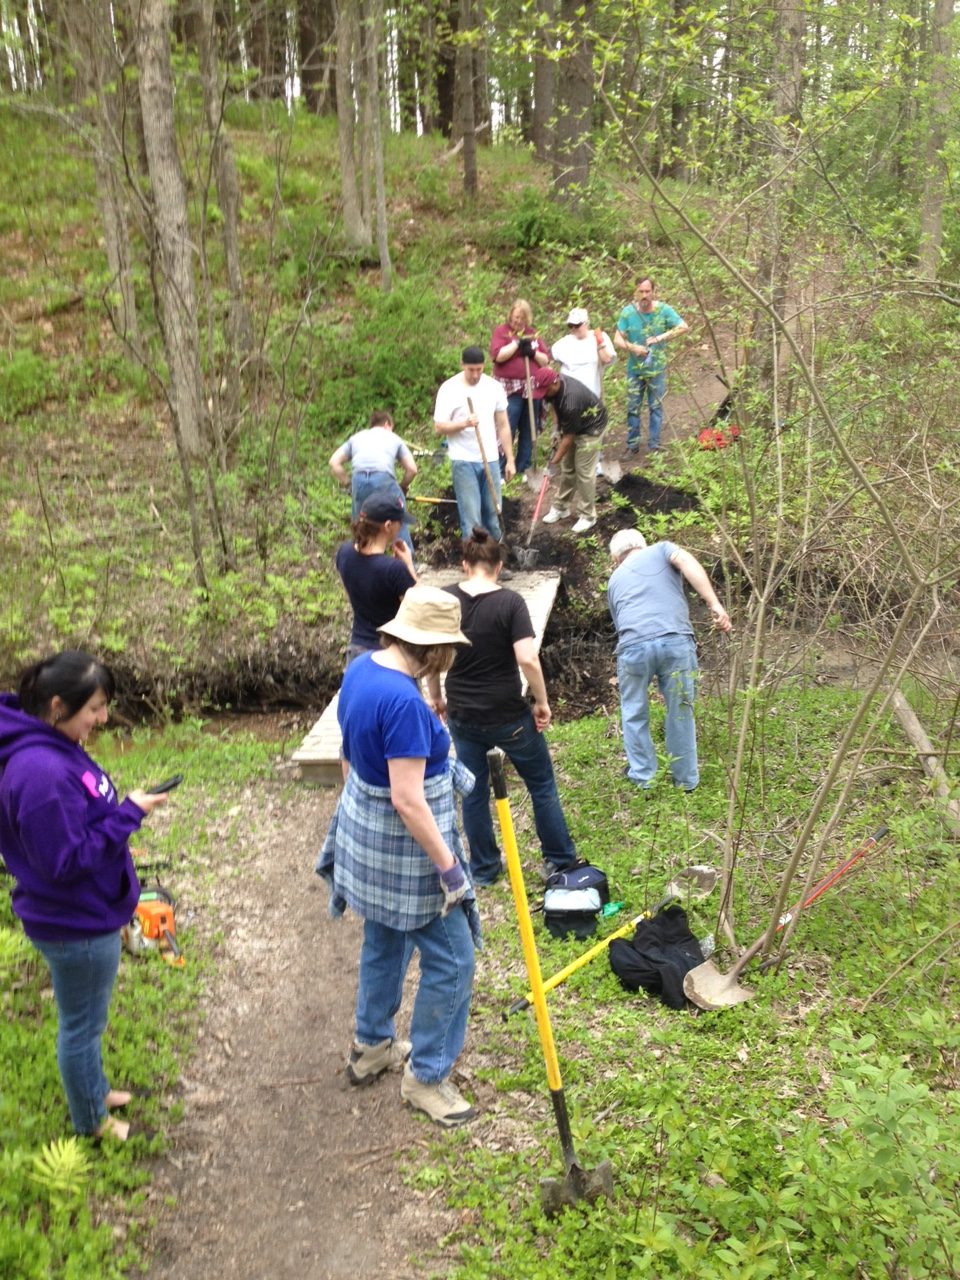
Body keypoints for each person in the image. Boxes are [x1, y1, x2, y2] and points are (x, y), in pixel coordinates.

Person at [316, 587, 480, 1128]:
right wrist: (451, 870)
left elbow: (348, 754)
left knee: (384, 937)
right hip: (408, 848)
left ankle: (372, 1047)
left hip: (369, 836)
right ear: (435, 648)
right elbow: (409, 800)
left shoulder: (363, 669)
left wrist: (361, 816)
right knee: (454, 958)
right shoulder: (405, 703)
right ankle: (426, 1078)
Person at [0, 651, 169, 1141]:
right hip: (75, 922)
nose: (103, 718)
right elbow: (65, 863)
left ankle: (95, 1090)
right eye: (94, 708)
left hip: (85, 911)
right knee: (81, 1028)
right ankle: (92, 1123)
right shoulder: (40, 774)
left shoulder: (51, 742)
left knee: (87, 1020)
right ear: (57, 706)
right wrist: (129, 813)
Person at [428, 527, 579, 887]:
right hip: (508, 714)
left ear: (465, 565)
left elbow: (432, 654)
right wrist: (541, 702)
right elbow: (527, 658)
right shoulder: (510, 603)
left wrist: (435, 696)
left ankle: (484, 869)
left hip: (463, 712)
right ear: (498, 566)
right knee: (541, 784)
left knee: (473, 791)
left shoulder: (446, 600)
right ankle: (559, 860)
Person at [607, 529, 731, 792]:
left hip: (633, 647)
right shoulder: (662, 549)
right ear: (643, 545)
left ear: (616, 559)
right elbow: (687, 563)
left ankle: (643, 778)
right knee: (680, 708)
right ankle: (685, 781)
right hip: (675, 640)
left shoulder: (614, 579)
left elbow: (620, 624)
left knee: (633, 712)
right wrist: (714, 604)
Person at [434, 346, 515, 542]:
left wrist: (510, 459)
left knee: (493, 514)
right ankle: (474, 564)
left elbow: (503, 425)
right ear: (462, 365)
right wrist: (464, 424)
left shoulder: (493, 387)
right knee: (471, 518)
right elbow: (439, 427)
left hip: (491, 460)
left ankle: (496, 561)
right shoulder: (449, 389)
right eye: (471, 370)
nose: (476, 374)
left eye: (479, 369)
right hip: (463, 461)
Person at [335, 485, 417, 668]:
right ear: (388, 526)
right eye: (400, 522)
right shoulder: (393, 569)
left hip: (356, 651)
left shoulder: (344, 553)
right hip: (390, 654)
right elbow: (420, 608)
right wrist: (409, 565)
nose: (401, 526)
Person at [614, 277, 689, 453]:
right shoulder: (628, 312)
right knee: (633, 407)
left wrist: (660, 337)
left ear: (653, 292)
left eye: (648, 291)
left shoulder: (663, 310)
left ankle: (654, 445)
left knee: (656, 407)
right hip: (635, 369)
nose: (644, 295)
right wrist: (633, 347)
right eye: (641, 291)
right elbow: (617, 338)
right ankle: (632, 445)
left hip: (657, 368)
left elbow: (683, 327)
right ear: (635, 292)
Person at [328, 409, 418, 553]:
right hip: (383, 477)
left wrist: (349, 485)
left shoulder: (356, 437)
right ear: (388, 424)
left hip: (359, 479)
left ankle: (360, 562)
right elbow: (412, 469)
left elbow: (334, 462)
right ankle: (407, 563)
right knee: (397, 516)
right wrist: (402, 487)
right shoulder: (392, 437)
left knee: (362, 524)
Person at [537, 368, 608, 534]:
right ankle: (561, 507)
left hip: (592, 427)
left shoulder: (571, 400)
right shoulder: (554, 387)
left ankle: (588, 515)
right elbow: (554, 404)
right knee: (569, 468)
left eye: (545, 390)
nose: (543, 393)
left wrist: (553, 462)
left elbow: (568, 438)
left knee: (584, 472)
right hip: (575, 423)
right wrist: (556, 428)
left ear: (555, 382)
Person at [490, 299, 552, 477]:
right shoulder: (501, 332)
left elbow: (545, 360)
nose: (518, 321)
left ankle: (524, 465)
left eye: (522, 319)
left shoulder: (533, 334)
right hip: (510, 389)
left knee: (529, 426)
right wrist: (516, 344)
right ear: (511, 314)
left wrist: (532, 352)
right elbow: (498, 356)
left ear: (527, 319)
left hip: (532, 387)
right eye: (516, 317)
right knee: (508, 424)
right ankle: (502, 468)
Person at [550, 307, 616, 398]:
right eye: (570, 325)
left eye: (577, 325)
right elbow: (548, 356)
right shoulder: (563, 343)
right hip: (568, 396)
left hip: (591, 395)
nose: (573, 328)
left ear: (586, 324)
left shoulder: (598, 337)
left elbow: (607, 359)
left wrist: (600, 343)